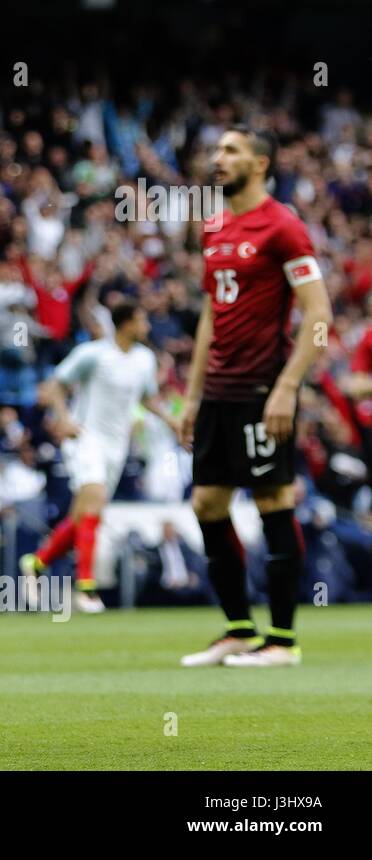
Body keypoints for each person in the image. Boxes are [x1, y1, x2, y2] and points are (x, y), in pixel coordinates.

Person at [178, 127, 333, 668]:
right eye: (217, 150)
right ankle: (239, 628)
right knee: (208, 504)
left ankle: (284, 641)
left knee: (273, 502)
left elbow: (319, 315)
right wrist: (193, 396)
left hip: (262, 389)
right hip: (218, 393)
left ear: (260, 163)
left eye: (231, 151)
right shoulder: (214, 227)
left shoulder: (283, 226)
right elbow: (208, 318)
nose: (218, 159)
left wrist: (288, 387)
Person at [20, 300, 176, 613]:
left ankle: (36, 563)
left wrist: (172, 422)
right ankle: (86, 588)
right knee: (94, 501)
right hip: (86, 438)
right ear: (126, 323)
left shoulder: (145, 360)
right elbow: (54, 385)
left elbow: (146, 398)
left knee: (84, 517)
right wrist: (63, 417)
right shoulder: (93, 354)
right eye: (142, 318)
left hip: (118, 447)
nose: (146, 325)